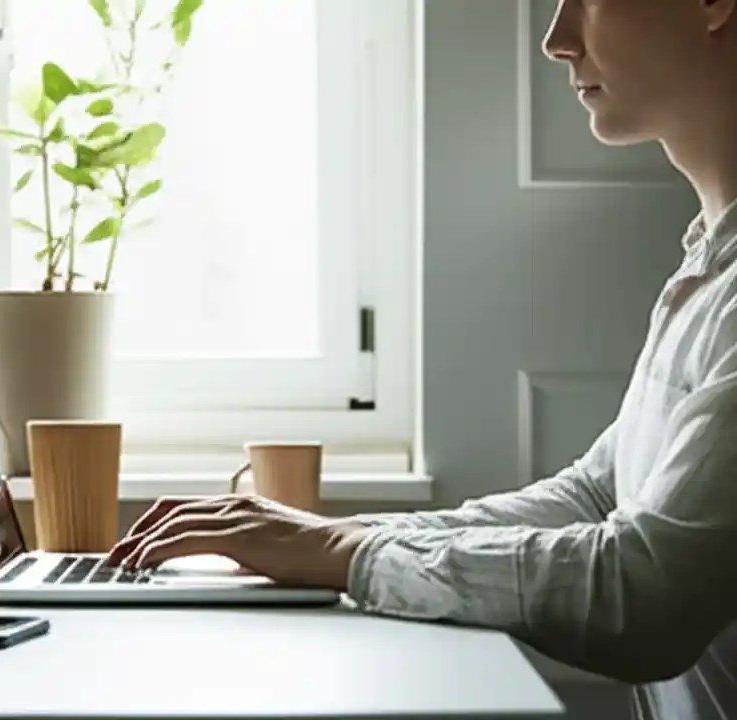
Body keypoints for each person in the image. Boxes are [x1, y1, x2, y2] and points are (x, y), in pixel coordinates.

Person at [107, 0, 737, 716]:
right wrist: (338, 537)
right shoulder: (710, 260)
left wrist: (349, 557)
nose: (557, 41)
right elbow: (595, 496)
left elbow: (645, 597)